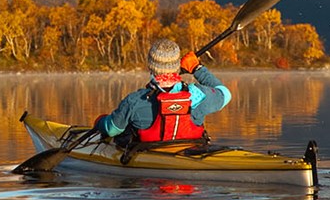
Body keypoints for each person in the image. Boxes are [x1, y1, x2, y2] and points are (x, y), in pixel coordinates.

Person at [95, 38, 232, 143]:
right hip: (190, 149)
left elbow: (112, 130)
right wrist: (197, 69)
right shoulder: (198, 95)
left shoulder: (135, 101)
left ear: (150, 66)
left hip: (148, 156)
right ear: (177, 65)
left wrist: (100, 122)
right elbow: (224, 93)